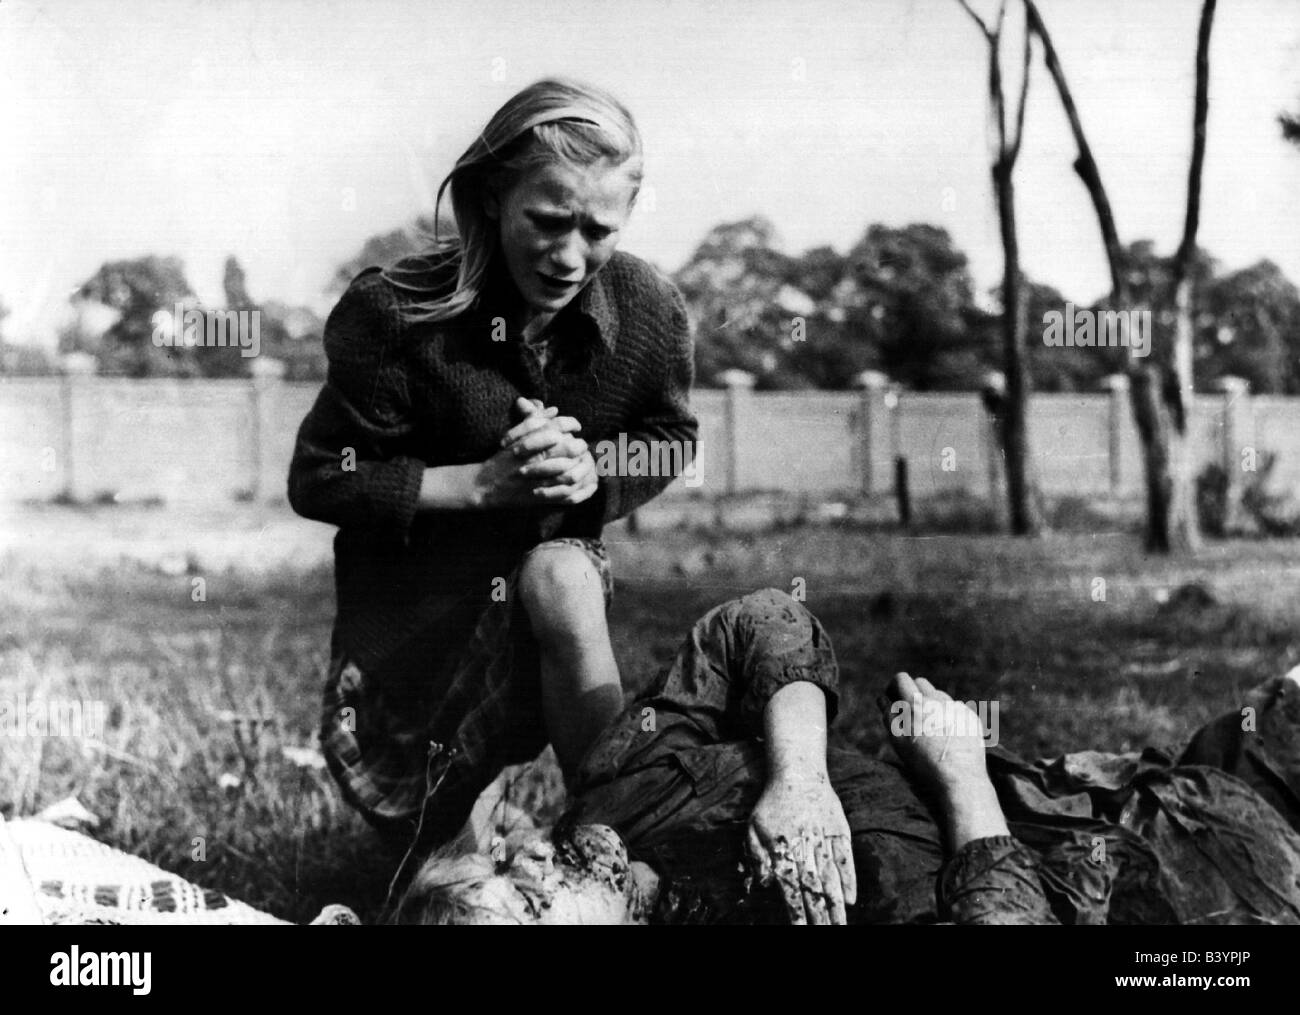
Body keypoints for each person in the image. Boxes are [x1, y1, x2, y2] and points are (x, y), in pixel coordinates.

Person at [287, 78, 698, 865]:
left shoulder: (650, 310)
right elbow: (318, 476)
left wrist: (595, 474)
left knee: (562, 575)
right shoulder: (394, 312)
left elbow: (670, 433)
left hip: (541, 620)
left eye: (598, 229)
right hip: (411, 648)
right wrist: (475, 485)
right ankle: (462, 825)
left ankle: (616, 838)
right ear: (490, 196)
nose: (570, 255)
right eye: (546, 221)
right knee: (452, 890)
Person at [394, 589, 1300, 925]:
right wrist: (958, 779)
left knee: (1278, 708)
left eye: (514, 874)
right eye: (529, 911)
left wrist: (800, 776)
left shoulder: (627, 796)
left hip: (1100, 787)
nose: (541, 869)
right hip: (1204, 884)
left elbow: (764, 621)